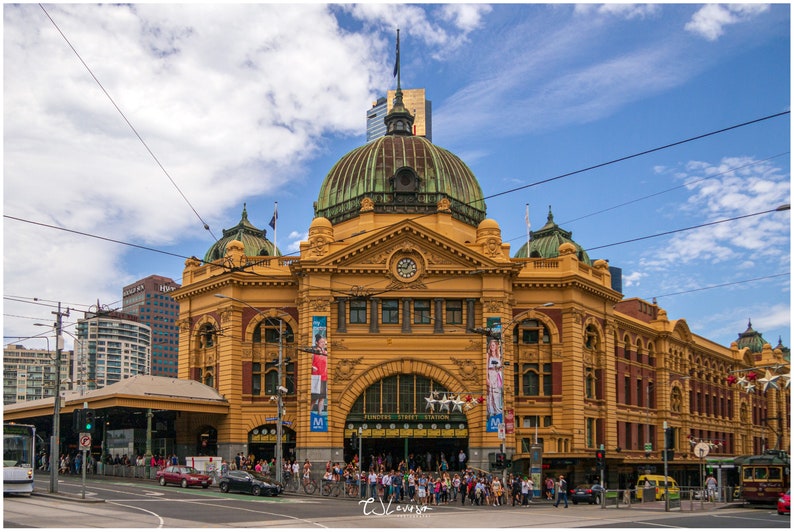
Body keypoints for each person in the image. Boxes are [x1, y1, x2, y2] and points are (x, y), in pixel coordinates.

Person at [486, 338, 503, 417]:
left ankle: (497, 410)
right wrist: (486, 378)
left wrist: (499, 368)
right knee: (490, 393)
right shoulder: (487, 355)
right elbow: (486, 367)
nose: (492, 347)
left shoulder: (499, 355)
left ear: (496, 346)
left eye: (493, 345)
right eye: (491, 345)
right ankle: (491, 411)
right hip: (490, 374)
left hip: (497, 375)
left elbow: (501, 367)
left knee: (497, 393)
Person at [311, 334, 328, 413]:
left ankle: (320, 414)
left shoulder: (326, 353)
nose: (323, 343)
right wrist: (312, 367)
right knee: (314, 399)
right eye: (321, 342)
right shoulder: (313, 353)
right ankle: (309, 412)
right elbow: (308, 363)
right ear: (317, 343)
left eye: (324, 342)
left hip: (324, 377)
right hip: (316, 378)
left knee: (322, 398)